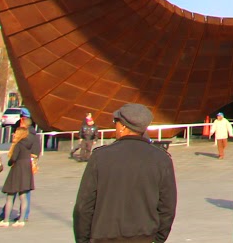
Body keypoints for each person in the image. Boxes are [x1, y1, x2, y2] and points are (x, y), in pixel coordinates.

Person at [72, 103, 177, 243]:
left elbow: (83, 207)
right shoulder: (161, 159)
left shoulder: (100, 157)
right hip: (144, 237)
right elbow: (167, 208)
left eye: (116, 122)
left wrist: (83, 240)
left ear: (123, 127)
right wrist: (157, 239)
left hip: (104, 237)